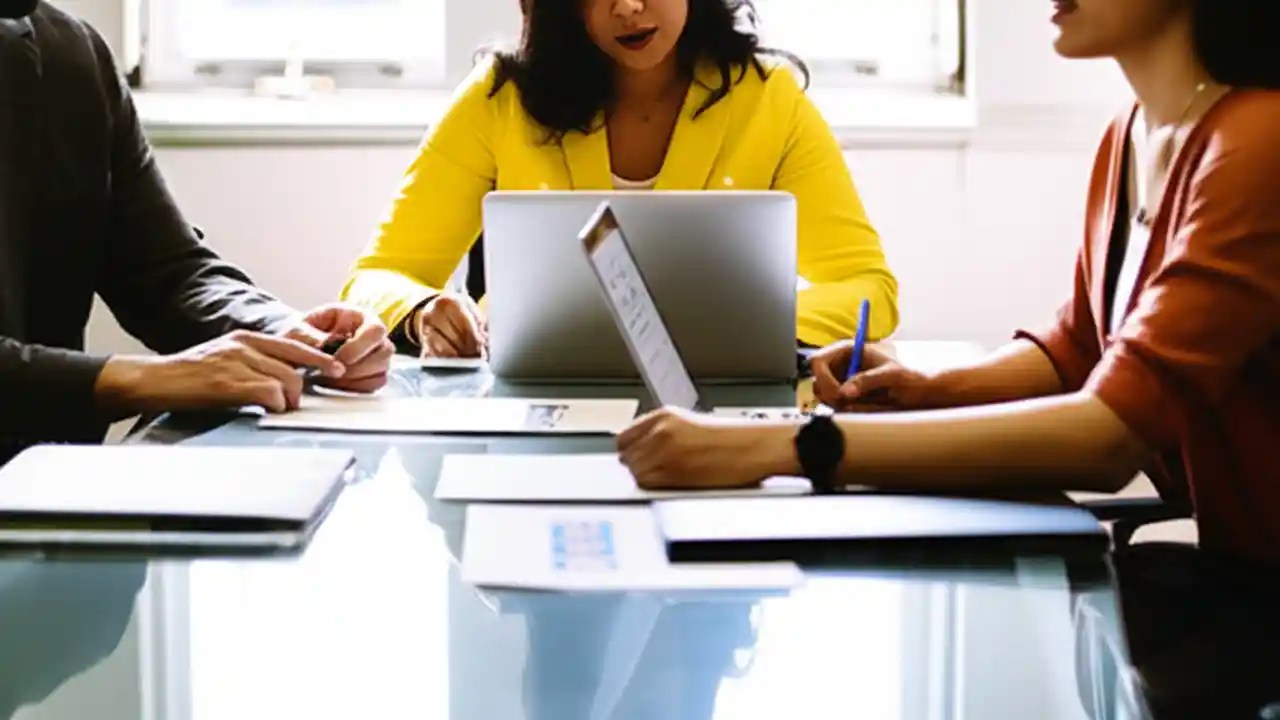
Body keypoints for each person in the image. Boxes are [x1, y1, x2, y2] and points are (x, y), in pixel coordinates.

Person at [619, 0, 1280, 711]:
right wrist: (920, 388)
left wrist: (778, 448)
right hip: (1230, 582)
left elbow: (1110, 436)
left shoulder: (1258, 144)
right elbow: (1080, 347)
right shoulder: (1131, 136)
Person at [340, 0, 899, 358]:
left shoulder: (768, 98)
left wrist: (740, 326)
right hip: (530, 402)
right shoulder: (501, 98)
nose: (629, 7)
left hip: (719, 409)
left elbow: (869, 289)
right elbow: (379, 277)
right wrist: (421, 314)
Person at [0, 2, 395, 465]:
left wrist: (291, 335)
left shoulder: (71, 54)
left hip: (42, 492)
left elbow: (168, 270)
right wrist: (137, 380)